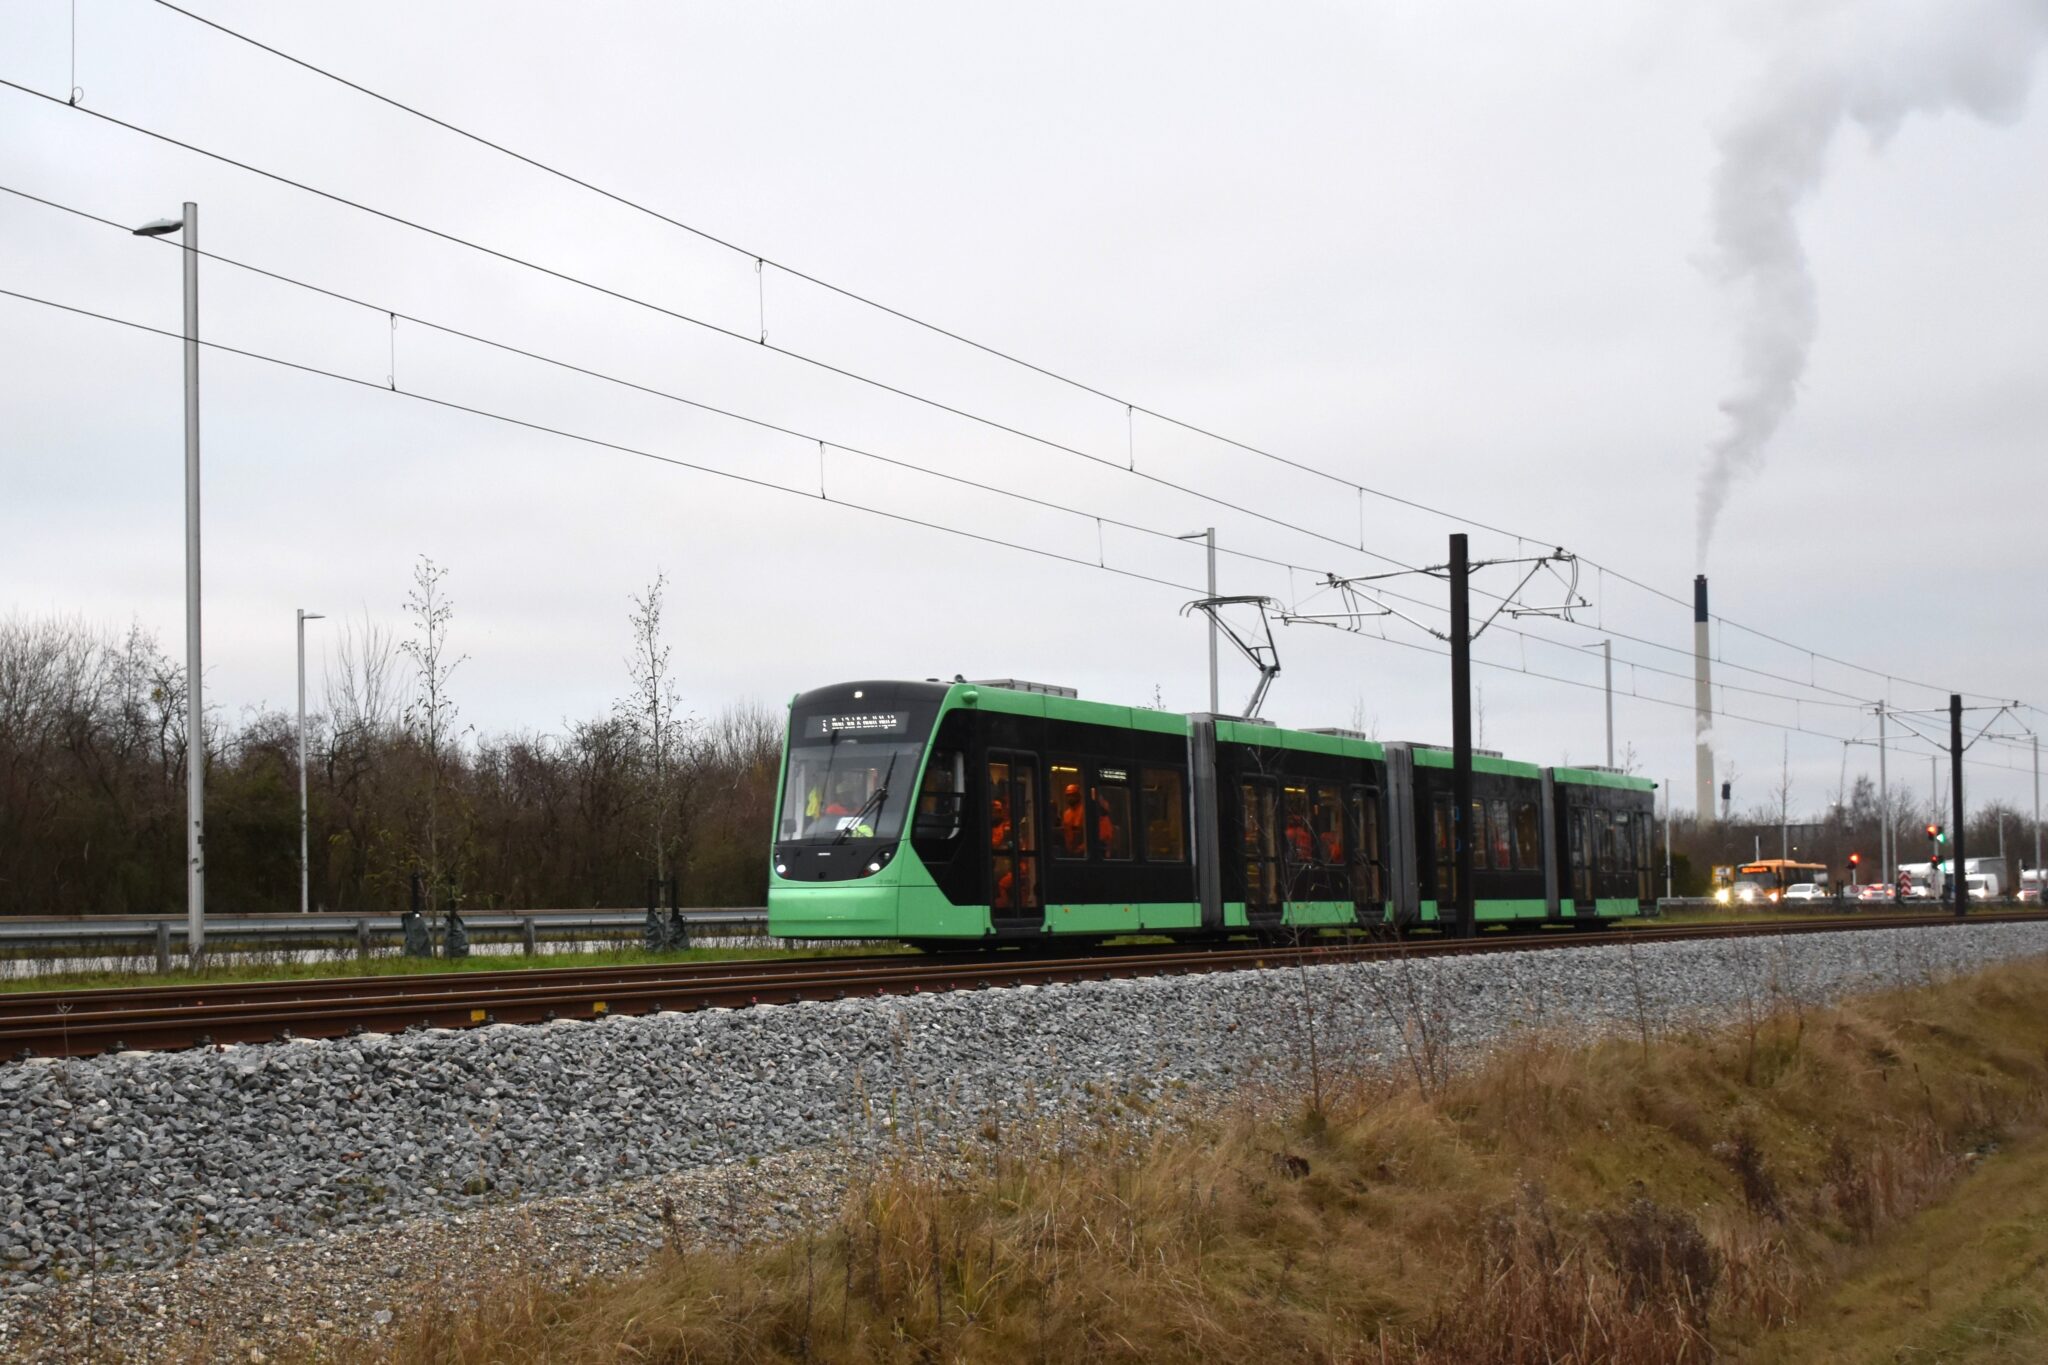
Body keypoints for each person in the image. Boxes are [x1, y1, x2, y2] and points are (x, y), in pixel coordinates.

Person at [1060, 783, 1087, 856]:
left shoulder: (1085, 811)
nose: (1070, 798)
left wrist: (1082, 848)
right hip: (1069, 852)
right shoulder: (1066, 814)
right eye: (1068, 796)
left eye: (1072, 795)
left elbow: (1091, 834)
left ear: (1078, 796)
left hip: (1083, 853)